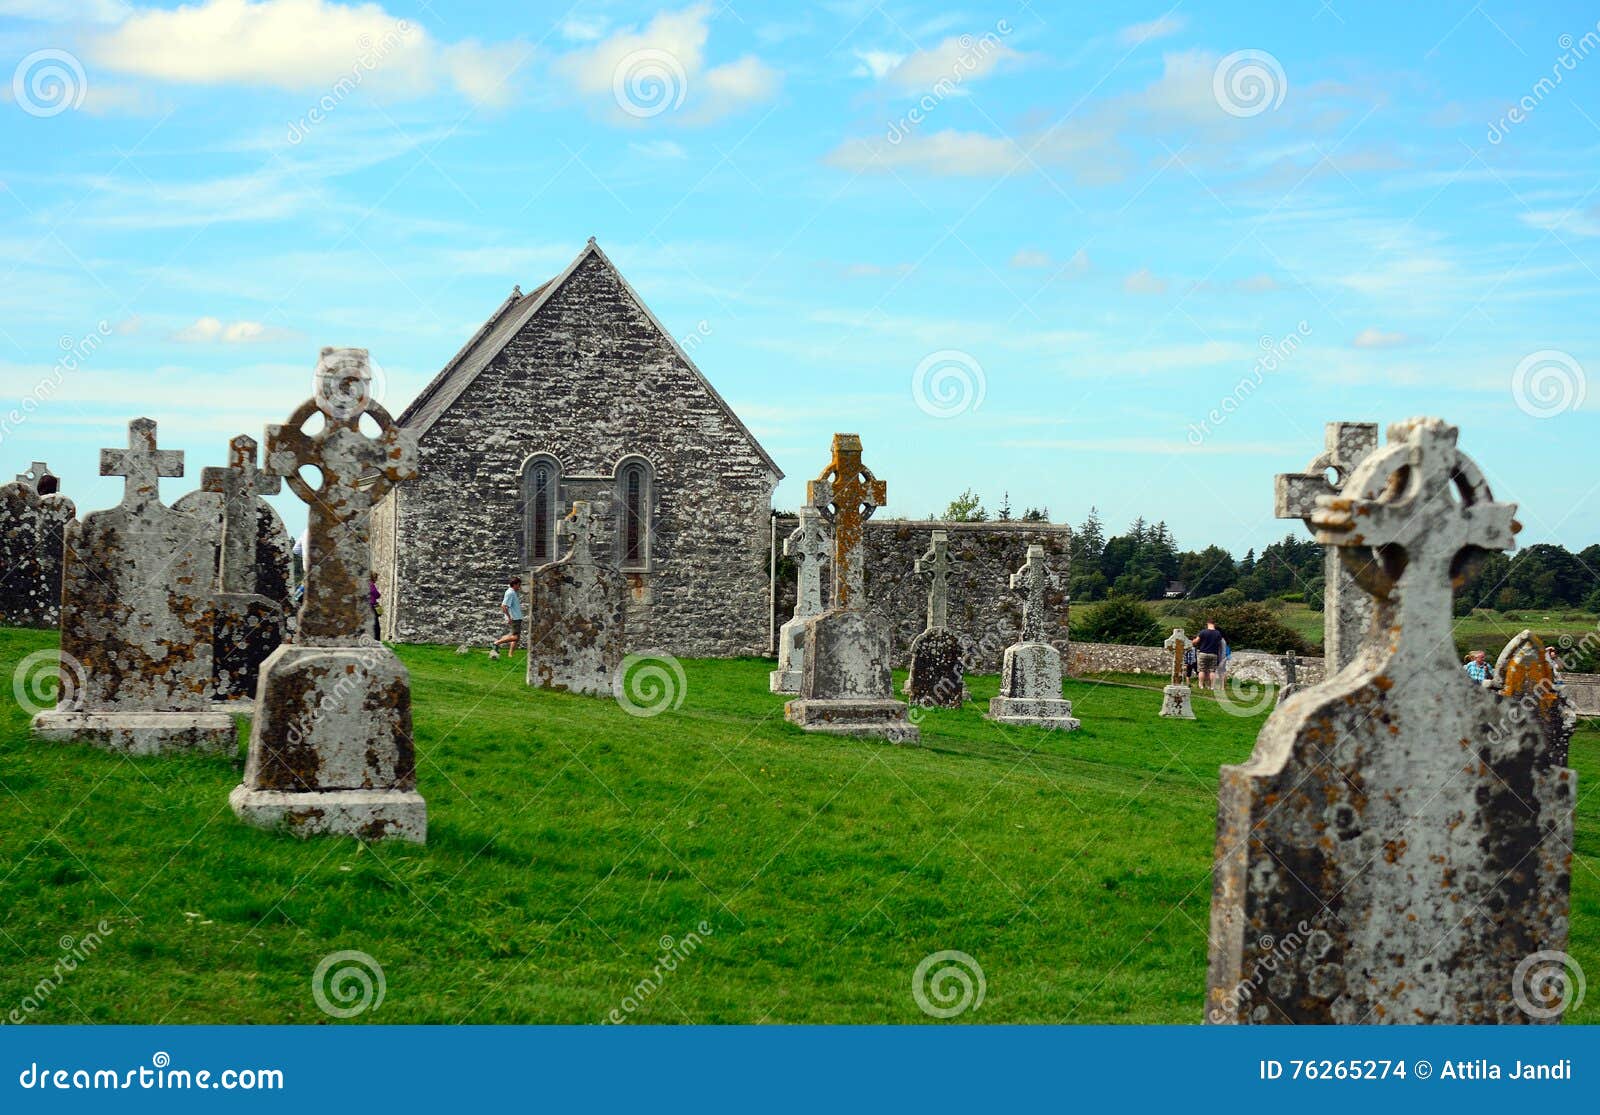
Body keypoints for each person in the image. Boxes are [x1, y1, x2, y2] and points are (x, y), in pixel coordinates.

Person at [493, 576, 524, 655]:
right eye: (519, 585)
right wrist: (509, 618)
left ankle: (510, 655)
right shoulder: (510, 593)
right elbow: (503, 606)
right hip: (514, 618)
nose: (519, 587)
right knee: (515, 637)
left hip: (517, 617)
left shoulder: (513, 592)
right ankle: (496, 643)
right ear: (514, 584)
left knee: (514, 637)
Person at [1194, 620, 1225, 689]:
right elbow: (1220, 643)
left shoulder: (1203, 632)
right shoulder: (1218, 633)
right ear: (1214, 624)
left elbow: (1196, 641)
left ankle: (1201, 685)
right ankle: (1212, 686)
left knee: (1201, 670)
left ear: (1207, 623)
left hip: (1203, 653)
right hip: (1213, 654)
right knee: (1212, 671)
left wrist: (1193, 641)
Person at [368, 572, 382, 641]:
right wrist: (379, 595)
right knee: (376, 625)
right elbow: (376, 594)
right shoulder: (371, 584)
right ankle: (376, 639)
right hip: (372, 606)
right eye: (376, 578)